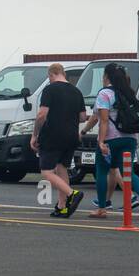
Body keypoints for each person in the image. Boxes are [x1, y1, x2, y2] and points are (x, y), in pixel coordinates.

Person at [81, 62, 139, 220]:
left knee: (101, 171)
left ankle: (102, 208)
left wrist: (100, 141)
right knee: (129, 172)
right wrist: (86, 129)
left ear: (106, 76)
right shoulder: (129, 92)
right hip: (129, 138)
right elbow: (96, 117)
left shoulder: (104, 94)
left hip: (111, 139)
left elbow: (104, 120)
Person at [30, 63, 86, 218]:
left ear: (51, 74)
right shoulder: (76, 91)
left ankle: (72, 194)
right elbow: (82, 117)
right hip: (71, 136)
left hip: (53, 135)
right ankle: (62, 206)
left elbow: (42, 115)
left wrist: (35, 135)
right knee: (62, 169)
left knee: (47, 171)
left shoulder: (50, 89)